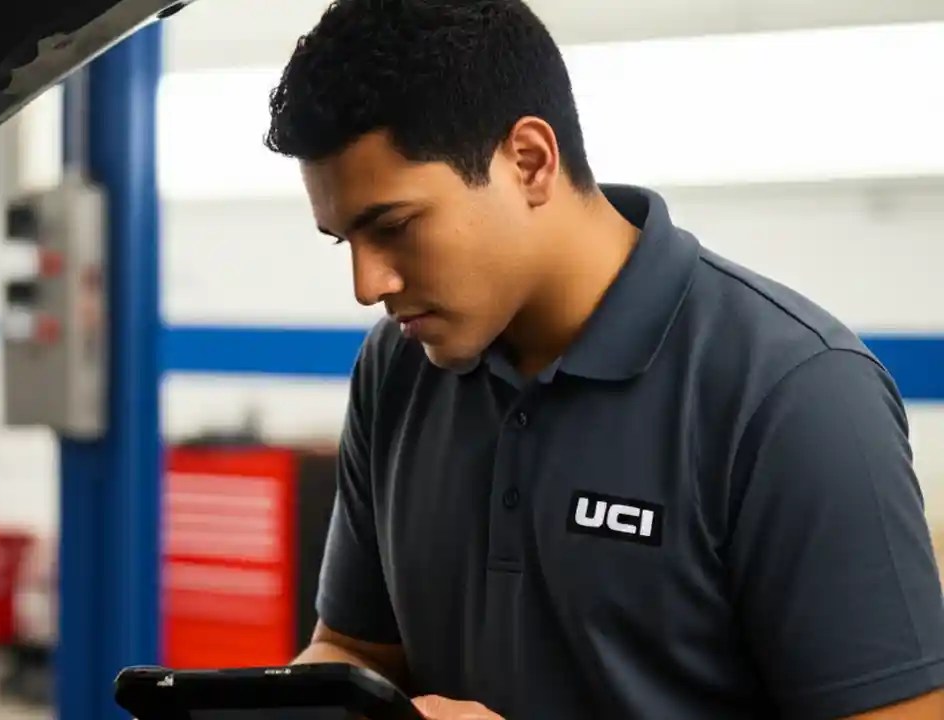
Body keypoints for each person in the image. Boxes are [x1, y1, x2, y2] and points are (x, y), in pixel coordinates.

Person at [261, 1, 944, 718]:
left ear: (529, 161)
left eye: (394, 227)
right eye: (345, 241)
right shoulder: (395, 370)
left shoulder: (795, 394)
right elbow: (358, 652)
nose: (369, 285)